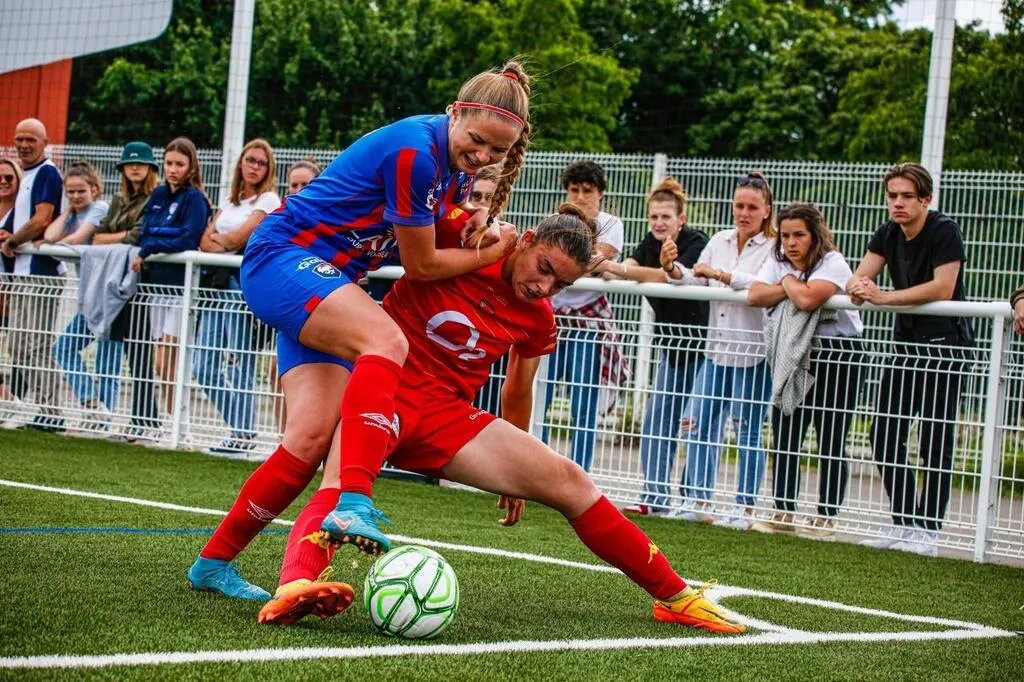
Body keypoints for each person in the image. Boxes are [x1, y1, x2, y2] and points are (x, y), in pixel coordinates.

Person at [253, 205, 744, 636]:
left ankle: (675, 597)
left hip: (448, 417)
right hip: (386, 393)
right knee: (341, 485)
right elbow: (423, 226)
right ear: (525, 240)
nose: (544, 287)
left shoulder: (539, 316)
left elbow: (517, 388)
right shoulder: (467, 246)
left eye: (561, 284)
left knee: (570, 481)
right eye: (544, 269)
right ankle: (295, 585)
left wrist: (514, 478)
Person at [187, 62, 527, 599]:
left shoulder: (453, 167)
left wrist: (477, 230)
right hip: (285, 259)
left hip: (322, 278)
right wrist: (497, 248)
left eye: (497, 152)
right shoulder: (416, 152)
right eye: (478, 140)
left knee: (309, 438)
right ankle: (352, 503)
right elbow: (421, 266)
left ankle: (212, 564)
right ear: (455, 112)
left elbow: (444, 227)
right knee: (387, 339)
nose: (483, 157)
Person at [848, 163, 974, 558]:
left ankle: (929, 530)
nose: (898, 203)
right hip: (905, 344)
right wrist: (857, 287)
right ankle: (904, 521)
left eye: (906, 196)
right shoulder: (887, 232)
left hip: (945, 344)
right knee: (883, 433)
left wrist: (882, 297)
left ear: (925, 199)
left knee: (935, 439)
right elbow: (860, 278)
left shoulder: (944, 230)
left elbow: (943, 287)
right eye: (892, 196)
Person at [747, 202, 864, 539]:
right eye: (785, 236)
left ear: (815, 235)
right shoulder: (780, 260)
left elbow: (810, 299)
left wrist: (784, 283)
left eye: (799, 235)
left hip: (838, 353)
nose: (791, 243)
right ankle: (783, 511)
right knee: (786, 430)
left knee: (831, 435)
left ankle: (826, 517)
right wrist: (788, 282)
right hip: (792, 352)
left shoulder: (834, 263)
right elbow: (755, 295)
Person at [666, 172, 776, 529]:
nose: (744, 213)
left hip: (753, 353)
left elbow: (763, 285)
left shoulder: (774, 247)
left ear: (766, 210)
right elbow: (696, 276)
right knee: (698, 424)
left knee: (746, 430)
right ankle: (698, 500)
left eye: (752, 207)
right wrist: (672, 267)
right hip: (716, 350)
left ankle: (744, 509)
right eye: (739, 206)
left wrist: (722, 275)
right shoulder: (720, 239)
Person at [596, 177, 709, 516]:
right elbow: (621, 272)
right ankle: (655, 497)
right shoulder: (648, 243)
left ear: (681, 220)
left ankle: (692, 500)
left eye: (666, 217)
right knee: (657, 421)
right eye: (654, 217)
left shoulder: (695, 242)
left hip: (706, 348)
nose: (660, 223)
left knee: (696, 424)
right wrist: (611, 267)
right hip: (671, 347)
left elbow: (668, 275)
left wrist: (621, 269)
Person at [193, 139, 281, 454]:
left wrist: (222, 240)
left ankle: (243, 435)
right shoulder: (230, 201)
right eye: (250, 160)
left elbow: (238, 237)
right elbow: (205, 240)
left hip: (241, 287)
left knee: (242, 361)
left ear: (268, 168)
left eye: (261, 162)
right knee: (202, 364)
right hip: (216, 288)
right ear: (241, 163)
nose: (255, 166)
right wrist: (222, 241)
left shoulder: (269, 199)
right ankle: (239, 428)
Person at [541, 160, 625, 472]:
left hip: (587, 323)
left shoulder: (610, 223)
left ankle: (579, 473)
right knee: (541, 397)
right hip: (553, 318)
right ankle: (538, 468)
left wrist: (567, 259)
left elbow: (596, 259)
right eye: (574, 190)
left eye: (587, 191)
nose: (579, 197)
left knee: (583, 404)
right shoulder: (554, 220)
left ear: (599, 193)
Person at [130, 137, 211, 420]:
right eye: (169, 163)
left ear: (191, 166)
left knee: (168, 361)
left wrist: (153, 244)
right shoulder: (160, 195)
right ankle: (172, 422)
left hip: (181, 290)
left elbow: (188, 238)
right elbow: (146, 231)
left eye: (179, 164)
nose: (173, 169)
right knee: (162, 363)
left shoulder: (195, 199)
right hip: (157, 287)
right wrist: (161, 236)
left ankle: (179, 423)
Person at [94, 142, 162, 442]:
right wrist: (118, 239)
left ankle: (145, 420)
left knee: (141, 353)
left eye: (140, 164)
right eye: (129, 164)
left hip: (144, 284)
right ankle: (139, 418)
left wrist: (114, 238)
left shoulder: (155, 198)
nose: (134, 168)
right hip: (119, 283)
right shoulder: (118, 199)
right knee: (129, 352)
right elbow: (99, 234)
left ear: (150, 168)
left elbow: (139, 235)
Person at [0, 119, 65, 432]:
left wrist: (13, 241)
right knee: (18, 342)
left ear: (44, 141)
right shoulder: (27, 175)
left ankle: (51, 410)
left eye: (30, 139)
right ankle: (42, 407)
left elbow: (42, 218)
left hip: (41, 272)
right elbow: (22, 219)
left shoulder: (47, 172)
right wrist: (7, 233)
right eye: (19, 139)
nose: (23, 145)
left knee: (34, 344)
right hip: (24, 273)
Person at [43, 162, 117, 429]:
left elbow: (76, 240)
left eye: (80, 191)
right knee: (64, 347)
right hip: (89, 298)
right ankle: (92, 403)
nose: (75, 196)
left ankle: (105, 417)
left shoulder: (98, 209)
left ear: (94, 190)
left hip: (108, 295)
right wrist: (66, 213)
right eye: (70, 191)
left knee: (107, 358)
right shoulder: (73, 213)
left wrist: (58, 241)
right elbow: (50, 235)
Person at [0, 158, 22, 415]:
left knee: (20, 344)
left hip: (16, 284)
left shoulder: (21, 211)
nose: (4, 182)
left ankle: (15, 399)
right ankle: (7, 396)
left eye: (9, 178)